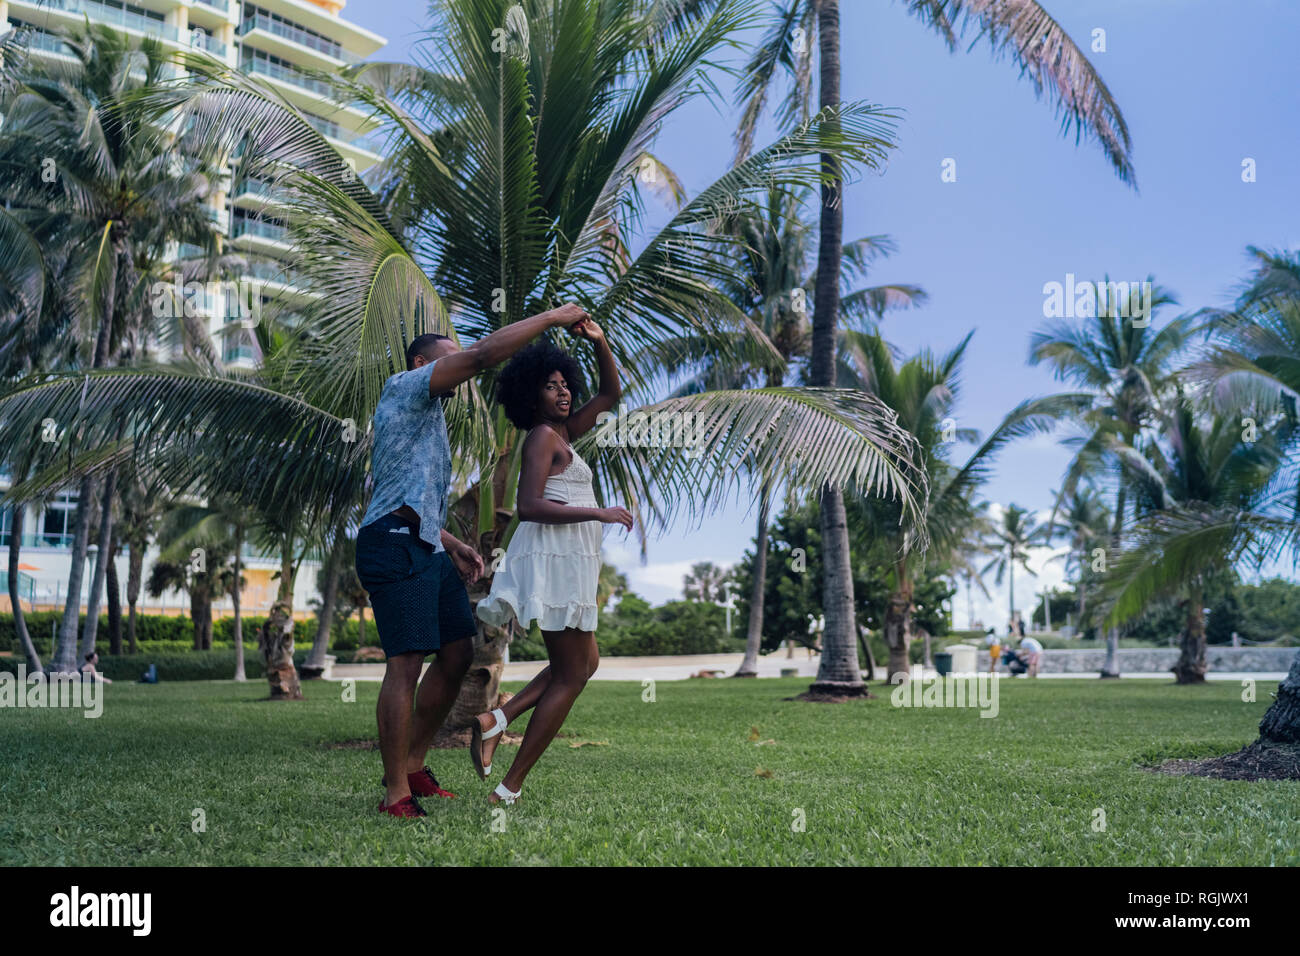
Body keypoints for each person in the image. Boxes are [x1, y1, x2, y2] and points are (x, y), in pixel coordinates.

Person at [356, 302, 590, 818]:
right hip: (392, 542)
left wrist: (453, 542)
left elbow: (404, 490)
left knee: (458, 654)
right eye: (449, 359)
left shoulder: (427, 419)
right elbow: (484, 355)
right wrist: (552, 319)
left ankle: (415, 763)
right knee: (405, 664)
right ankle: (396, 792)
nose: (460, 367)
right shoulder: (406, 386)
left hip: (423, 541)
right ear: (423, 364)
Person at [472, 320, 631, 804]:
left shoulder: (564, 432)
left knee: (587, 662)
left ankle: (497, 717)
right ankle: (510, 786)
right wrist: (599, 511)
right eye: (550, 385)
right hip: (556, 559)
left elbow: (610, 395)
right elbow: (529, 506)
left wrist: (600, 341)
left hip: (572, 560)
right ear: (531, 394)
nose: (562, 392)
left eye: (564, 384)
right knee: (571, 674)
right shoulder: (542, 437)